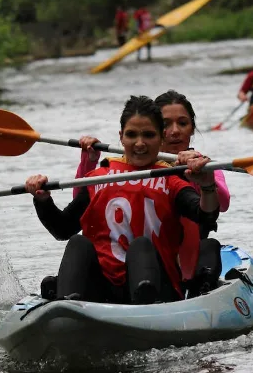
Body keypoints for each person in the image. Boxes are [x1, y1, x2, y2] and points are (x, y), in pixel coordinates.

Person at [26, 96, 219, 304]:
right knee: (77, 243)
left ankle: (146, 305)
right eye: (132, 135)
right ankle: (67, 305)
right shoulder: (98, 178)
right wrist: (43, 200)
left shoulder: (172, 179)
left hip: (158, 288)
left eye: (148, 135)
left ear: (161, 138)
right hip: (103, 291)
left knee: (141, 245)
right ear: (121, 137)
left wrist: (207, 186)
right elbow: (62, 229)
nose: (140, 143)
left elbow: (206, 216)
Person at [73, 90, 231, 297]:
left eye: (182, 123)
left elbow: (222, 203)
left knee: (210, 246)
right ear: (158, 129)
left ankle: (201, 292)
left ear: (192, 128)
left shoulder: (203, 163)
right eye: (166, 124)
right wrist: (90, 161)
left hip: (182, 256)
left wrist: (201, 177)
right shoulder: (127, 166)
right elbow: (83, 203)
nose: (175, 131)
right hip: (136, 257)